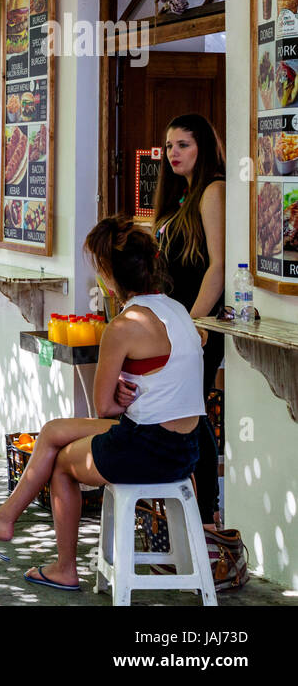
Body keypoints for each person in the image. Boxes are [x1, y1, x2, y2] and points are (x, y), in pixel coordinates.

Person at [0, 217, 203, 591]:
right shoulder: (178, 311)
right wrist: (124, 393)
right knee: (52, 432)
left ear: (108, 276)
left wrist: (117, 394)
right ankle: (4, 518)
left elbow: (103, 407)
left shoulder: (123, 325)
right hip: (184, 446)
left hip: (148, 446)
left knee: (63, 466)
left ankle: (65, 567)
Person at [151, 113, 225, 529]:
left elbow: (218, 268)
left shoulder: (213, 191)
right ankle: (189, 509)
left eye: (183, 144)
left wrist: (193, 322)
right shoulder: (180, 195)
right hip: (176, 325)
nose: (173, 153)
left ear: (204, 148)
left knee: (193, 414)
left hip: (198, 326)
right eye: (169, 146)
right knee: (183, 412)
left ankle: (208, 514)